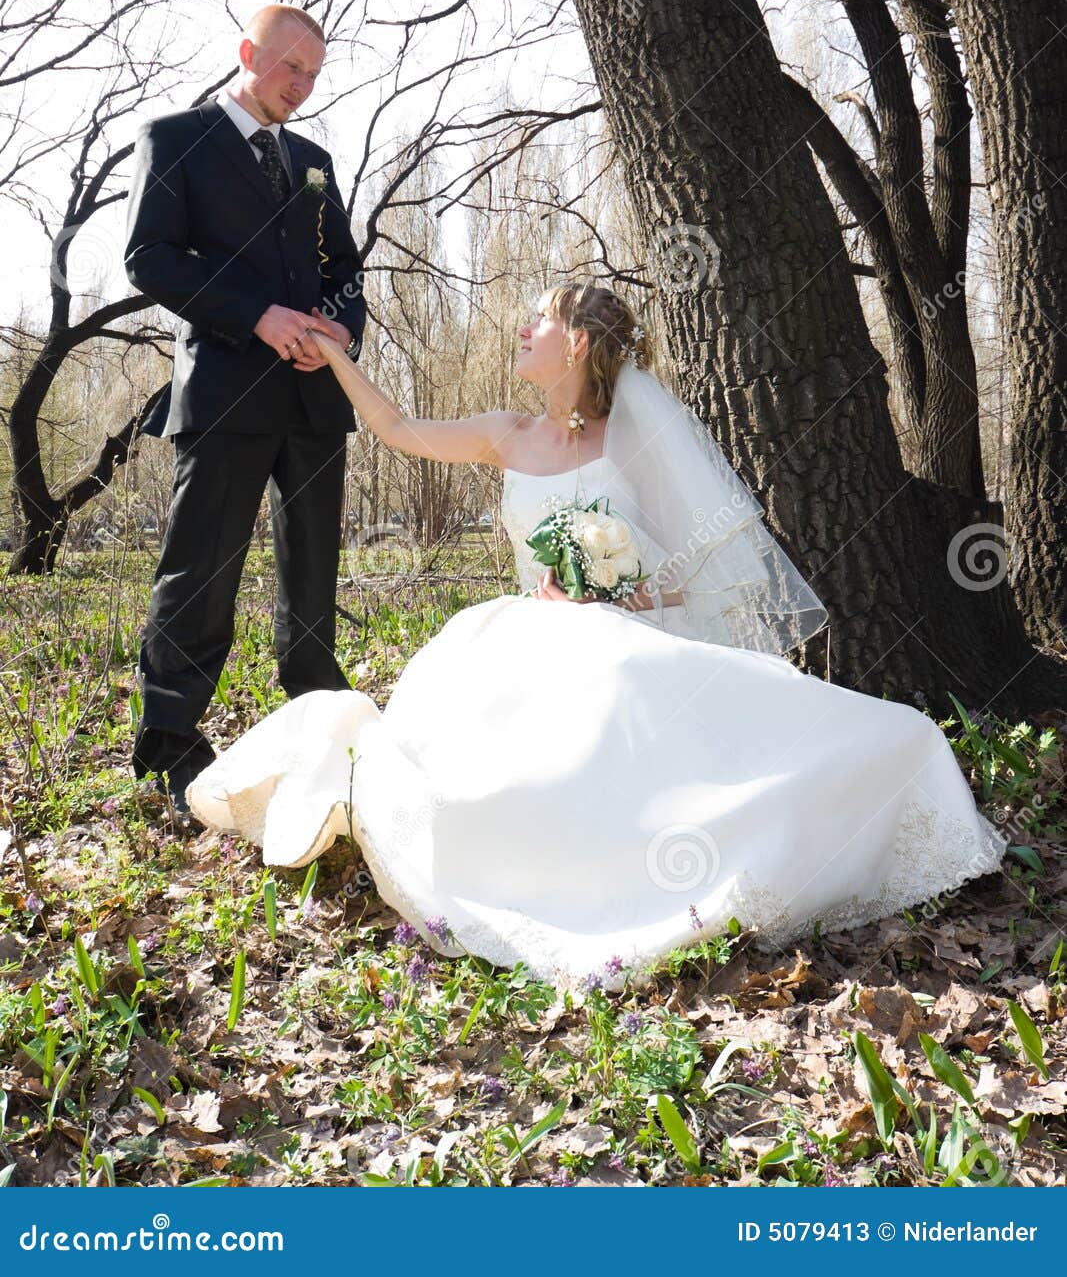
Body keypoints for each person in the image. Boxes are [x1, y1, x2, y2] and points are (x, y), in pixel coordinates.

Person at [186, 281, 1007, 991]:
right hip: (523, 639)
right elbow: (398, 427)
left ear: (576, 342)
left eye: (536, 319)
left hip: (625, 634)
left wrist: (616, 592)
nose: (520, 329)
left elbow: (699, 569)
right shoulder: (508, 432)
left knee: (808, 729)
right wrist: (333, 353)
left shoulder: (632, 442)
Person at [124, 4, 367, 813]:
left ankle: (320, 723)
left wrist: (338, 326)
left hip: (315, 395)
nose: (300, 86)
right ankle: (171, 742)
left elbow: (347, 268)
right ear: (247, 54)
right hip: (227, 390)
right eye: (289, 67)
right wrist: (255, 315)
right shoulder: (176, 138)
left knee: (311, 573)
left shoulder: (313, 160)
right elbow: (148, 256)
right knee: (202, 569)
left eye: (312, 74)